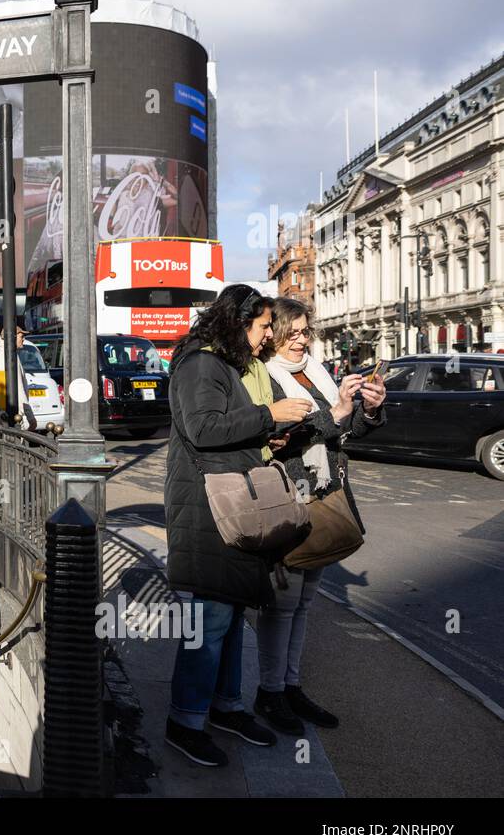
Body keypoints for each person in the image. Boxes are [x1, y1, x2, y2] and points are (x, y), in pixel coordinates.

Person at [163, 284, 316, 767]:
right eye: (265, 325)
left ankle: (225, 708)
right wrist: (268, 415)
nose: (269, 335)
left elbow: (228, 426)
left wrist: (273, 425)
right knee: (208, 623)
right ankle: (184, 721)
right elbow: (204, 429)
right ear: (238, 321)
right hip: (207, 506)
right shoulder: (201, 364)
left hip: (228, 502)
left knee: (228, 618)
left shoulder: (222, 365)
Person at [256, 298, 386, 734]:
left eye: (305, 331)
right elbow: (277, 439)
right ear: (271, 332)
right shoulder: (263, 376)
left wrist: (368, 408)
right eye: (291, 332)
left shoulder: (316, 369)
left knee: (305, 602)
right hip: (290, 494)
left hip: (327, 494)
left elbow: (344, 432)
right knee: (283, 603)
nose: (301, 340)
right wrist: (336, 415)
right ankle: (269, 692)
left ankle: (290, 686)